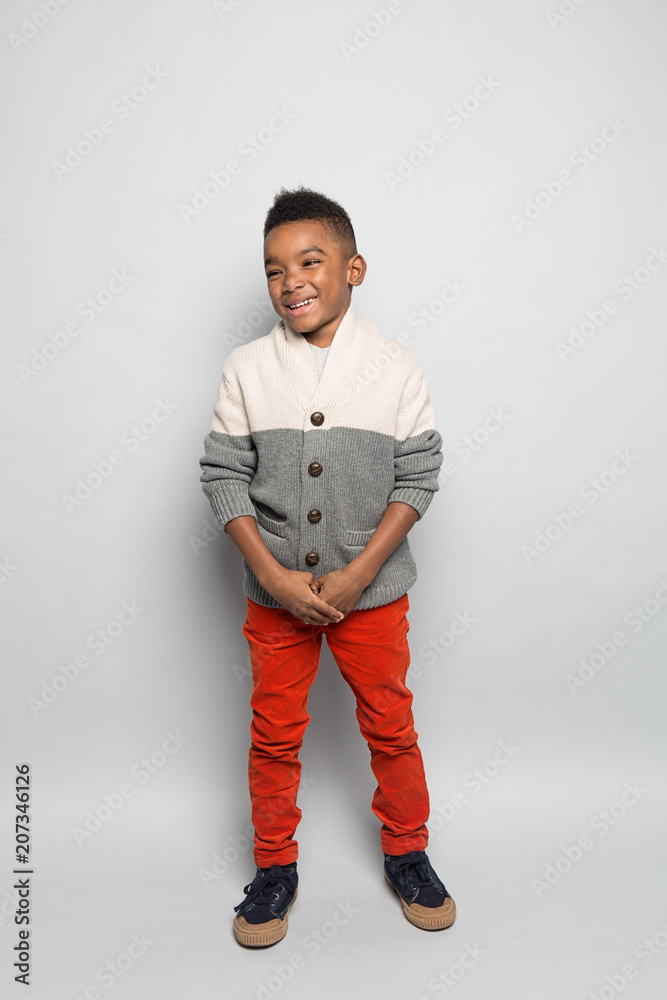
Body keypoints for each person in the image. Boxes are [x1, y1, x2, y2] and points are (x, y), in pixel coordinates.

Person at [199, 185, 456, 947]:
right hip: (271, 596)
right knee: (274, 733)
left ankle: (407, 852)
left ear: (354, 269)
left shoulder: (395, 366)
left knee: (390, 725)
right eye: (274, 269)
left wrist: (354, 577)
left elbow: (418, 476)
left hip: (372, 596)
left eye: (310, 262)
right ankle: (274, 866)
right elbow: (220, 476)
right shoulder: (246, 368)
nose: (291, 281)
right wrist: (275, 580)